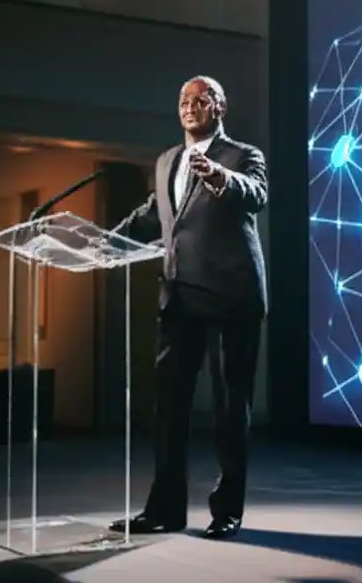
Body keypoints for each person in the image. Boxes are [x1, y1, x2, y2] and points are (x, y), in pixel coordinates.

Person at [108, 75, 267, 540]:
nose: (190, 106)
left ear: (220, 106)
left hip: (231, 296)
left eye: (201, 99)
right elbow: (152, 216)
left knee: (228, 408)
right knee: (169, 407)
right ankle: (165, 509)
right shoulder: (165, 161)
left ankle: (227, 511)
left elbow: (256, 192)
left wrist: (221, 178)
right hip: (178, 297)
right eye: (183, 100)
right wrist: (105, 240)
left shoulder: (243, 156)